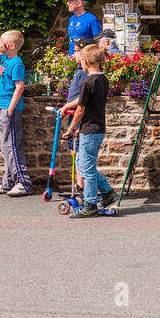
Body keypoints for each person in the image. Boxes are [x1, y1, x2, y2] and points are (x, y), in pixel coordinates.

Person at [59, 43, 116, 217]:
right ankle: (106, 192)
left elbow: (81, 109)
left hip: (91, 129)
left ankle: (90, 203)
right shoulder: (102, 79)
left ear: (84, 61)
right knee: (82, 164)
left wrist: (71, 128)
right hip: (95, 127)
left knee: (86, 167)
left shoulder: (87, 82)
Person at [0, 30, 30, 197]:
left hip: (9, 108)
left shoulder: (16, 63)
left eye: (4, 44)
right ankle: (8, 182)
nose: (0, 47)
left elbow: (19, 86)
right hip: (2, 106)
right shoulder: (5, 58)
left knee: (12, 145)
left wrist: (11, 108)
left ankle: (23, 182)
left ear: (11, 46)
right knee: (5, 146)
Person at [63, 0, 102, 103]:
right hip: (75, 62)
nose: (68, 4)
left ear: (79, 3)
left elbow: (98, 42)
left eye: (70, 1)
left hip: (87, 64)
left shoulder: (91, 19)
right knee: (73, 97)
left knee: (82, 97)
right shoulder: (71, 19)